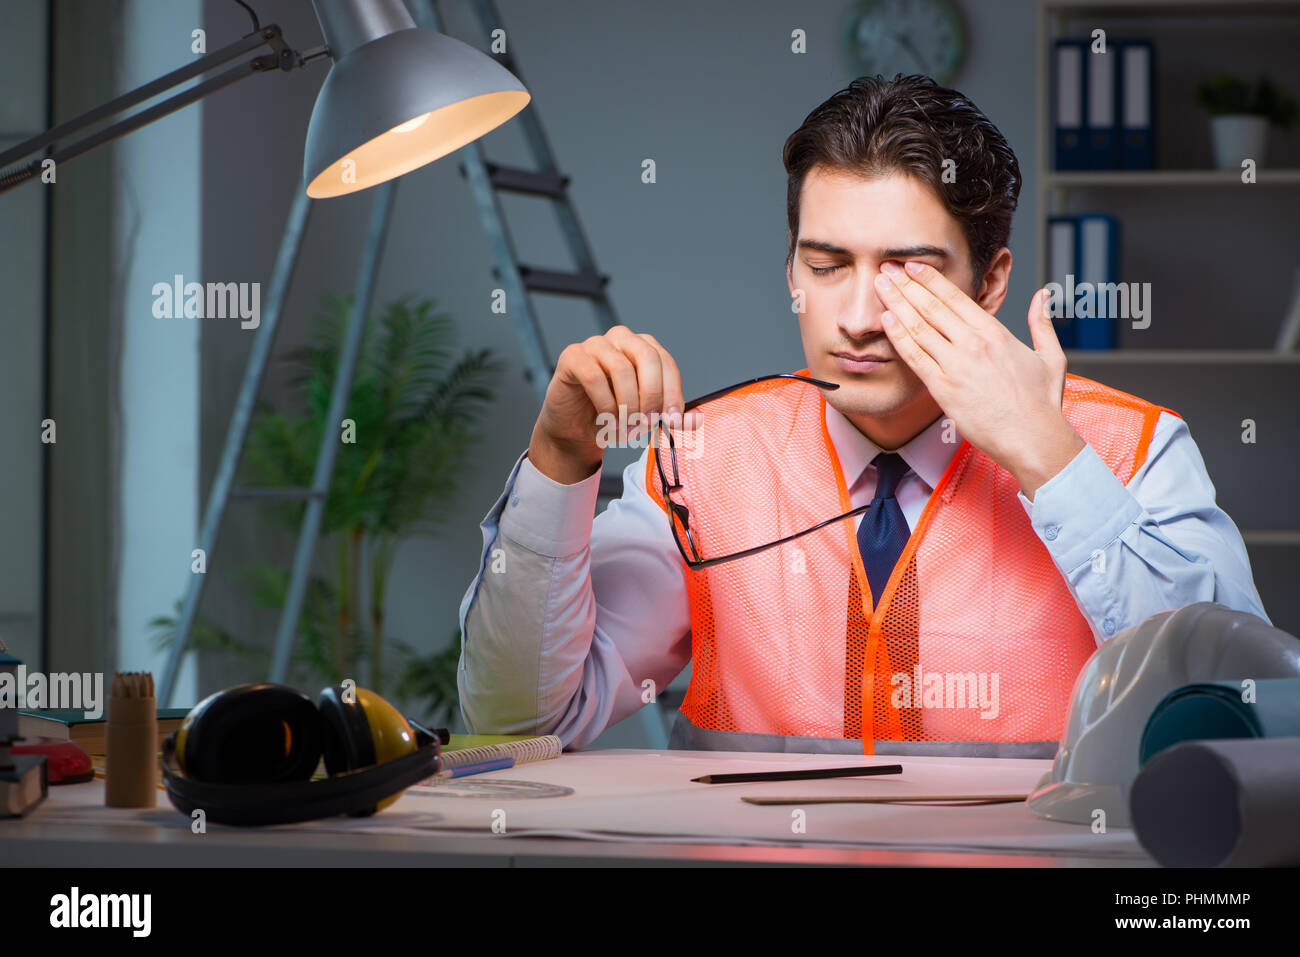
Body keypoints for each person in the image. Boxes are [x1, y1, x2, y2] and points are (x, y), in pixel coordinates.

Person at [456, 74, 1270, 757]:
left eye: (906, 269)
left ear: (990, 283)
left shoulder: (1133, 448)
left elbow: (1249, 719)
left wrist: (1051, 460)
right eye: (826, 264)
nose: (857, 316)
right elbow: (518, 722)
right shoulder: (702, 461)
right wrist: (559, 461)